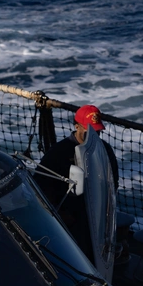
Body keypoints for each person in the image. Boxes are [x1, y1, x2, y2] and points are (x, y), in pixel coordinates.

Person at [35, 105, 119, 260]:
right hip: (68, 217)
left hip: (96, 215)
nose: (94, 136)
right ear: (76, 127)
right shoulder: (57, 153)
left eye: (98, 132)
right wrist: (60, 214)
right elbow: (41, 186)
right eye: (90, 131)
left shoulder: (105, 150)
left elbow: (113, 184)